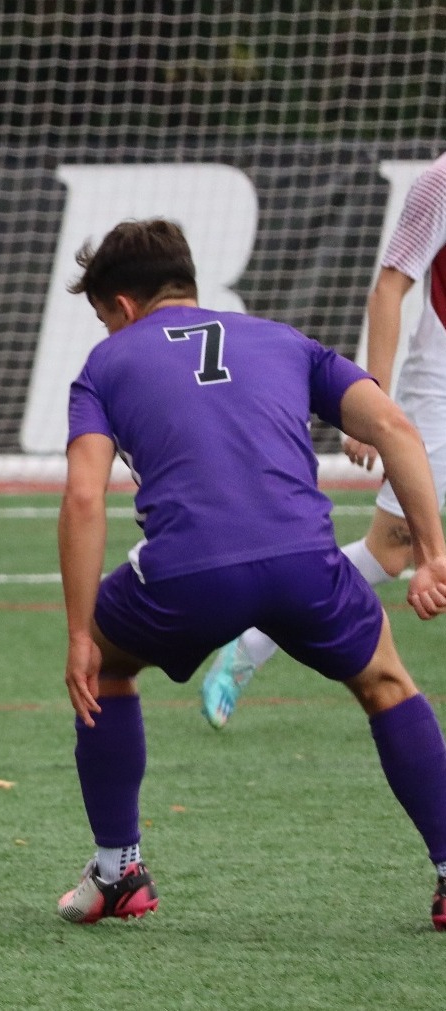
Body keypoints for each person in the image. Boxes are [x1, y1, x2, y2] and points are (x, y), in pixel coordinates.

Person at [55, 218, 446, 929]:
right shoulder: (282, 339)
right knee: (387, 681)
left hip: (185, 574)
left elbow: (84, 495)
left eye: (104, 317)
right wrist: (433, 551)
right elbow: (393, 429)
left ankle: (118, 869)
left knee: (106, 665)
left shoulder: (104, 366)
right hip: (305, 563)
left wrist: (79, 632)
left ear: (122, 306)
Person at [201, 153, 446, 729]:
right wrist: (376, 400)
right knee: (391, 552)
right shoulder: (439, 182)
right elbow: (390, 288)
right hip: (439, 391)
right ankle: (251, 645)